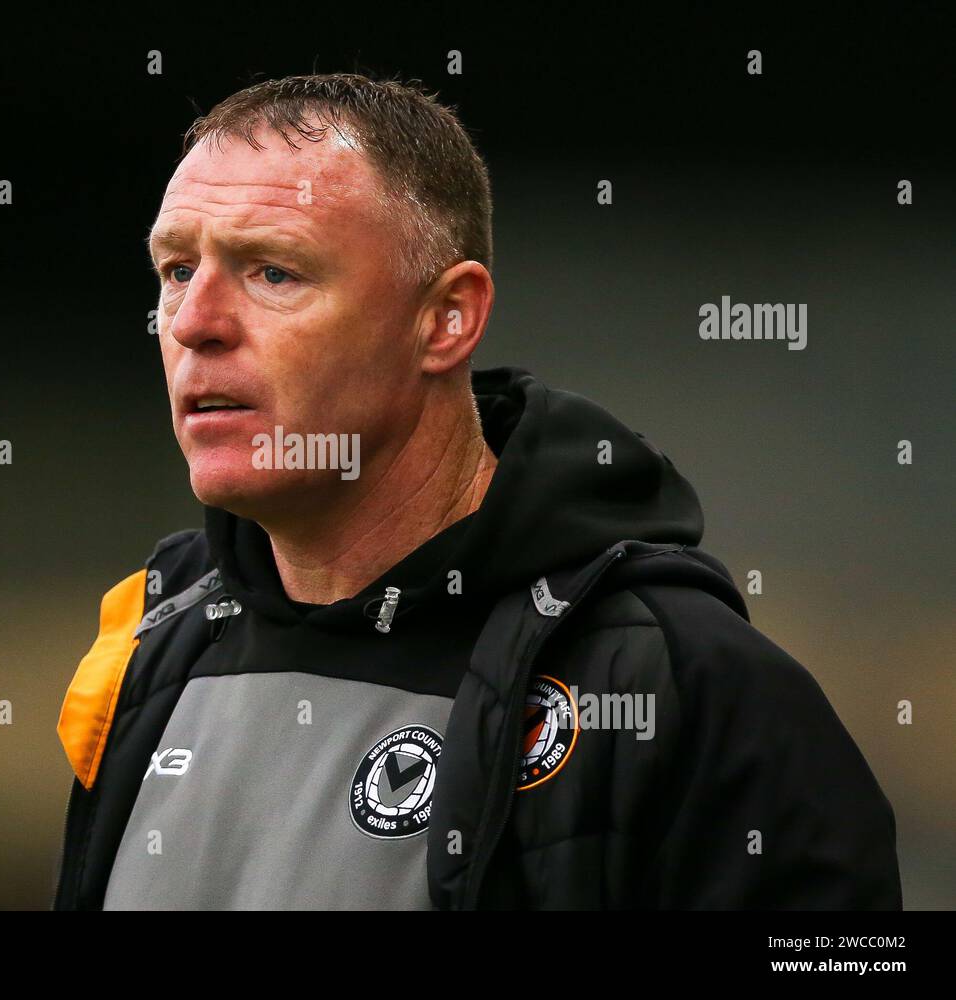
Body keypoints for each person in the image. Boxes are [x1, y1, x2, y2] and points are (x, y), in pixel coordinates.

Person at [53, 73, 902, 910]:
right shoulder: (149, 649)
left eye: (273, 272)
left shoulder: (686, 686)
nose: (195, 322)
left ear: (446, 317)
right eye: (174, 271)